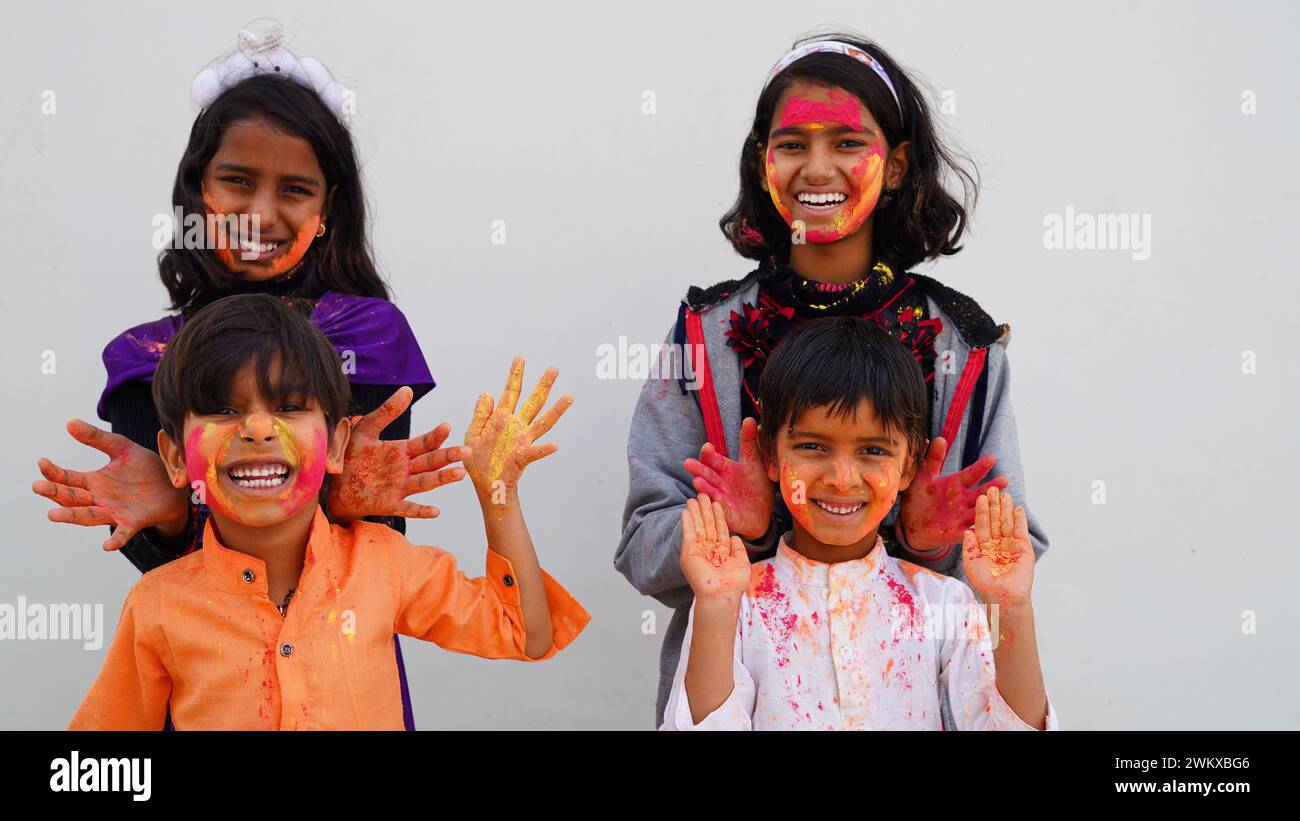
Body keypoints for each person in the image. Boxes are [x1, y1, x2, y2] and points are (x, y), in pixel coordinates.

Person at [617, 32, 1048, 725]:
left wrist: (931, 544)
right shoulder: (704, 333)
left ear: (899, 165)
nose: (818, 167)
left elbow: (1012, 552)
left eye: (848, 143)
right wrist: (737, 526)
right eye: (792, 144)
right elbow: (643, 543)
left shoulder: (963, 341)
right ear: (764, 163)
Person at [33, 30, 448, 728]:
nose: (261, 211)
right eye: (236, 180)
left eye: (295, 189)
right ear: (199, 189)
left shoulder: (370, 341)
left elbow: (376, 543)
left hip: (346, 679)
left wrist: (352, 506)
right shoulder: (152, 358)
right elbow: (159, 569)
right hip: (212, 685)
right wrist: (164, 522)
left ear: (327, 213)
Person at [68, 294, 588, 729]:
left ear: (337, 445)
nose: (257, 429)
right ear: (177, 457)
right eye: (224, 410)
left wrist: (499, 496)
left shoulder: (385, 563)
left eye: (290, 406)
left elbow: (526, 631)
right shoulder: (157, 605)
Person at [661, 317, 1055, 730]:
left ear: (910, 466)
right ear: (771, 456)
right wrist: (715, 606)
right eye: (812, 446)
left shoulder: (943, 603)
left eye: (872, 450)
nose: (842, 478)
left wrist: (1011, 607)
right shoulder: (735, 600)